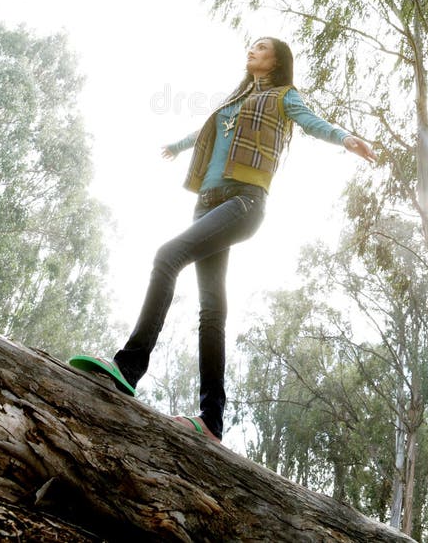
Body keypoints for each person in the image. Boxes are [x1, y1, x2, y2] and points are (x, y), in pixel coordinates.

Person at [90, 38, 375, 442]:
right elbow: (210, 128)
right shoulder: (236, 97)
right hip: (207, 202)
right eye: (251, 46)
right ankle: (212, 420)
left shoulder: (283, 97)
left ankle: (129, 366)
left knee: (167, 256)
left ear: (277, 61)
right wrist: (176, 146)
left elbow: (312, 122)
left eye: (261, 47)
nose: (251, 51)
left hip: (244, 201)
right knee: (212, 309)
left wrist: (345, 139)